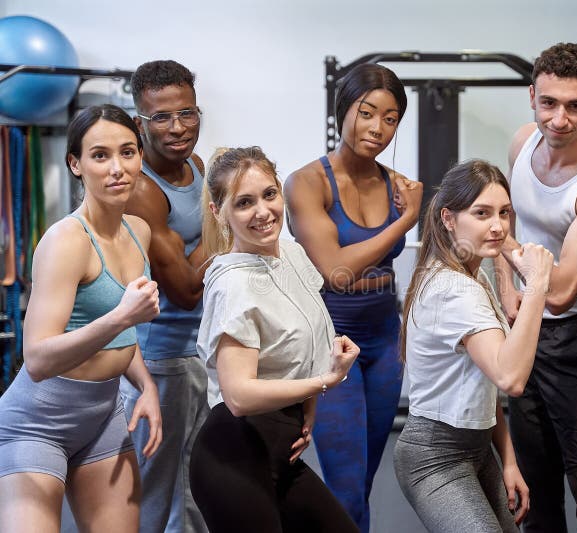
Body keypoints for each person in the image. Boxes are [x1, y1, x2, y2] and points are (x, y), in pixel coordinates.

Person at [0, 104, 162, 532]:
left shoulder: (138, 231)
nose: (117, 168)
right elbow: (36, 359)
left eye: (128, 152)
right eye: (100, 155)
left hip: (103, 415)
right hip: (35, 424)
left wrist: (146, 387)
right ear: (75, 163)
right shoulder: (65, 241)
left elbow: (118, 340)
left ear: (141, 157)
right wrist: (121, 316)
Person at [189, 146, 360, 533]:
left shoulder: (293, 254)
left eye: (269, 194)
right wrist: (325, 382)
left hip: (283, 449)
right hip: (234, 454)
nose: (263, 212)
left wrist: (309, 405)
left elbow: (309, 341)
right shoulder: (233, 285)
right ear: (220, 213)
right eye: (244, 202)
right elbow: (238, 396)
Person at [493, 42, 577, 533]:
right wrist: (507, 290)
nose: (559, 119)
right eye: (549, 103)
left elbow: (565, 289)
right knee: (533, 483)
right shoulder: (522, 141)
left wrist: (503, 255)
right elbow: (507, 223)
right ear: (532, 96)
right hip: (528, 331)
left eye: (575, 106)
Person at [284, 63, 423, 531]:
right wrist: (406, 223)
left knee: (362, 484)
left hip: (385, 343)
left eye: (390, 119)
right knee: (344, 488)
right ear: (344, 110)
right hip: (331, 345)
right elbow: (336, 271)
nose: (378, 129)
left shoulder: (398, 185)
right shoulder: (307, 183)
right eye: (367, 113)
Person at [394, 159, 552, 532]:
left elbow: (484, 386)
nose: (498, 226)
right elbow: (511, 378)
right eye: (482, 213)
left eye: (504, 213)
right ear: (449, 219)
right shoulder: (456, 289)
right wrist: (538, 285)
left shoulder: (471, 274)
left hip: (477, 448)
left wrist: (508, 460)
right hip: (435, 455)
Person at [121, 59, 209, 533]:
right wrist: (223, 219)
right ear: (140, 122)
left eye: (187, 113)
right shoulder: (142, 192)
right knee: (156, 492)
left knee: (195, 486)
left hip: (199, 351)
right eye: (161, 117)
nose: (177, 128)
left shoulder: (194, 166)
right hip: (161, 357)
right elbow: (187, 291)